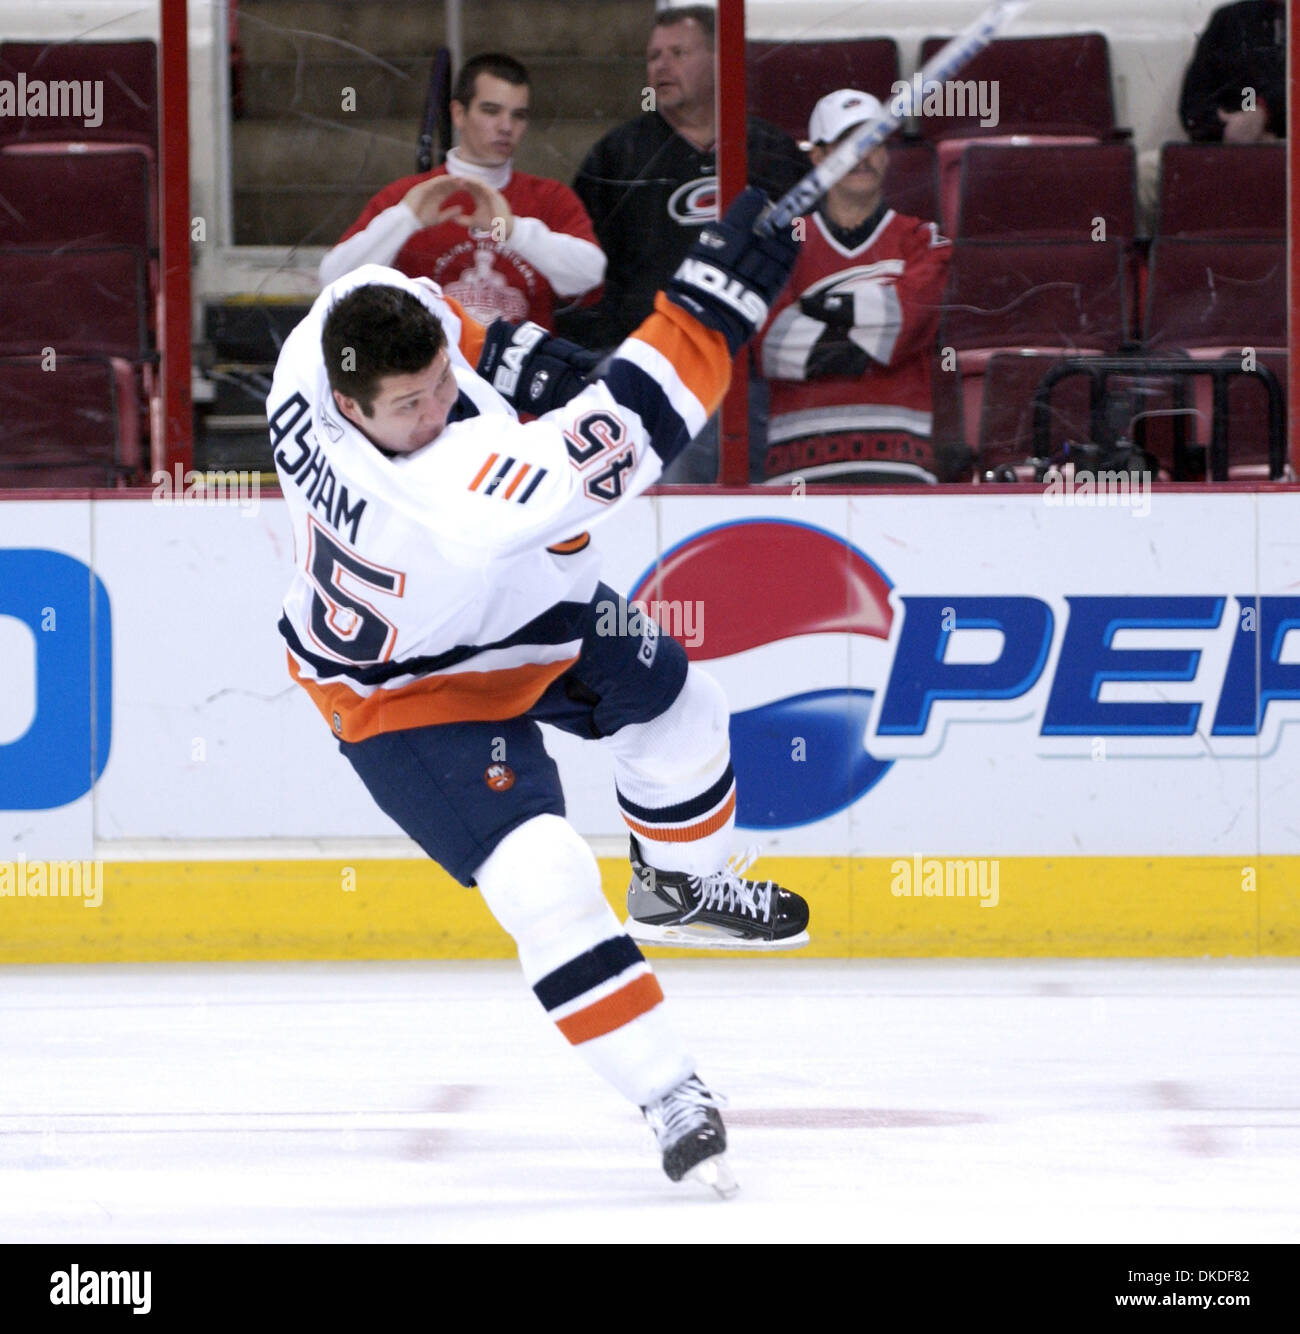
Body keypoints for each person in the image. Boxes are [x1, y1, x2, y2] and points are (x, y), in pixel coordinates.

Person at [267, 187, 810, 1193]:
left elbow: (459, 330)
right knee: (547, 875)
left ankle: (680, 884)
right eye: (410, 406)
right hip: (404, 693)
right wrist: (714, 299)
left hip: (522, 614)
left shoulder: (332, 335)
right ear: (353, 409)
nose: (434, 408)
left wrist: (525, 362)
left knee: (684, 710)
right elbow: (633, 430)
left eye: (438, 384)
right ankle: (669, 1090)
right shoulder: (452, 494)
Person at [319, 53, 604, 331]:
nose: (506, 126)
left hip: (522, 371)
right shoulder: (409, 196)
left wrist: (515, 232)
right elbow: (333, 281)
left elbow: (590, 277)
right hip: (431, 371)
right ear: (458, 113)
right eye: (491, 111)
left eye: (518, 115)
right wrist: (406, 220)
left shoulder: (550, 197)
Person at [754, 90, 952, 485]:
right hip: (798, 471)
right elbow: (772, 346)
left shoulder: (923, 239)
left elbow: (906, 325)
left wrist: (813, 308)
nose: (862, 155)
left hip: (900, 464)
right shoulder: (780, 243)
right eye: (846, 144)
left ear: (886, 153)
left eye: (873, 141)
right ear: (818, 157)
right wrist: (872, 342)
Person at [1179, 0, 1285, 143]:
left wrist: (1265, 112)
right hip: (1232, 149)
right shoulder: (1229, 20)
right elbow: (1193, 108)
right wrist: (1230, 126)